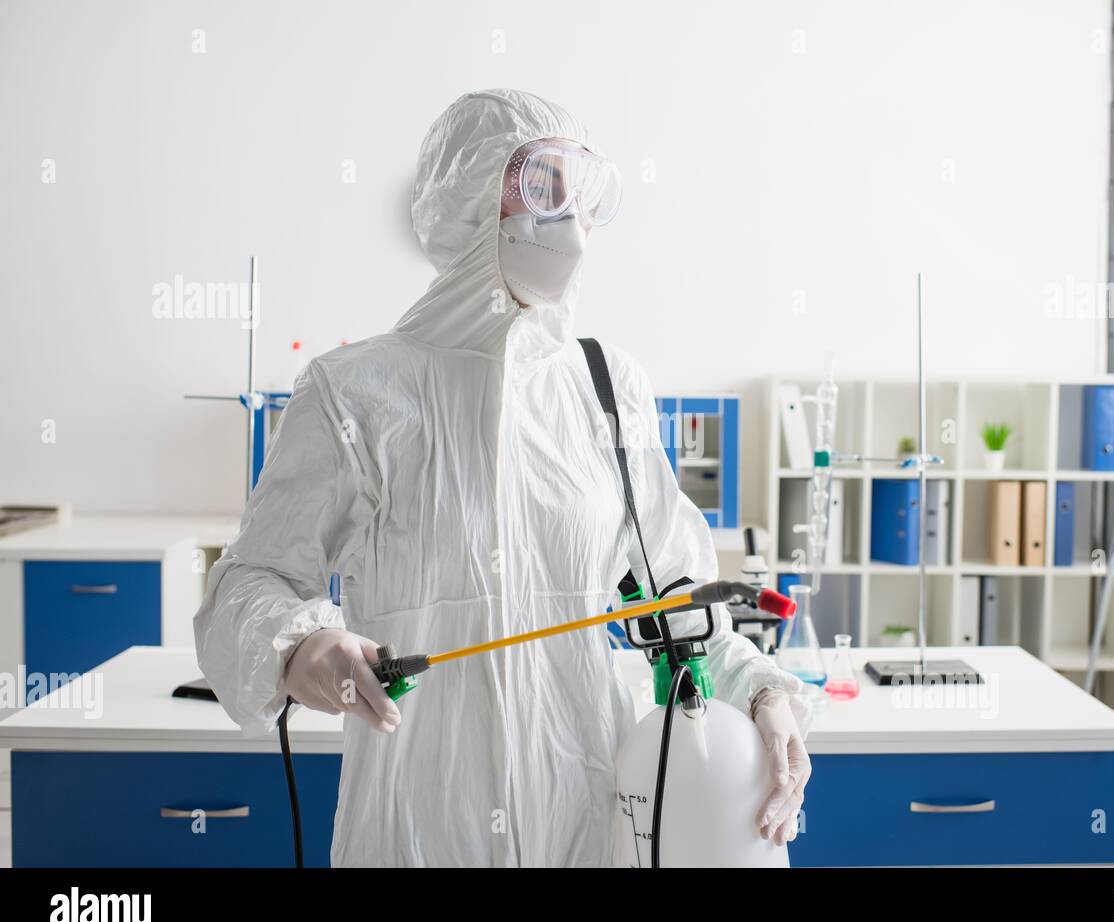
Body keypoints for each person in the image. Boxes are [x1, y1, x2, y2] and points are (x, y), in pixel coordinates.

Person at [195, 88, 812, 867]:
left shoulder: (603, 385)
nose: (572, 220)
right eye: (545, 185)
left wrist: (762, 692)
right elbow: (246, 587)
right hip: (415, 831)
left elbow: (680, 606)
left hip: (585, 825)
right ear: (467, 192)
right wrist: (299, 645)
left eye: (583, 196)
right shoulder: (354, 391)